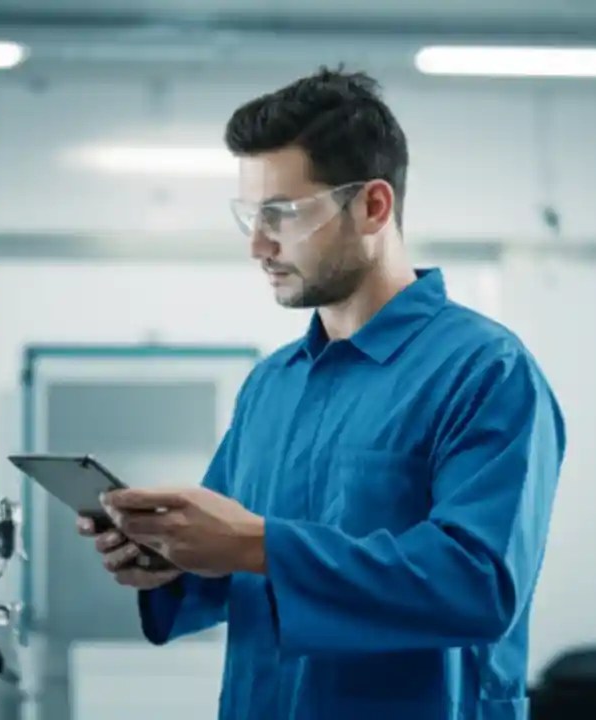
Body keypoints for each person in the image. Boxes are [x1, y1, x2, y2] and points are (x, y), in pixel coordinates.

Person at [76, 67, 566, 719]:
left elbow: (477, 582)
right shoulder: (272, 386)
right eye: (250, 215)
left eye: (282, 214)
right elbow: (239, 560)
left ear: (372, 207)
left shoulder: (484, 371)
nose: (257, 244)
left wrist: (256, 544)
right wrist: (170, 561)